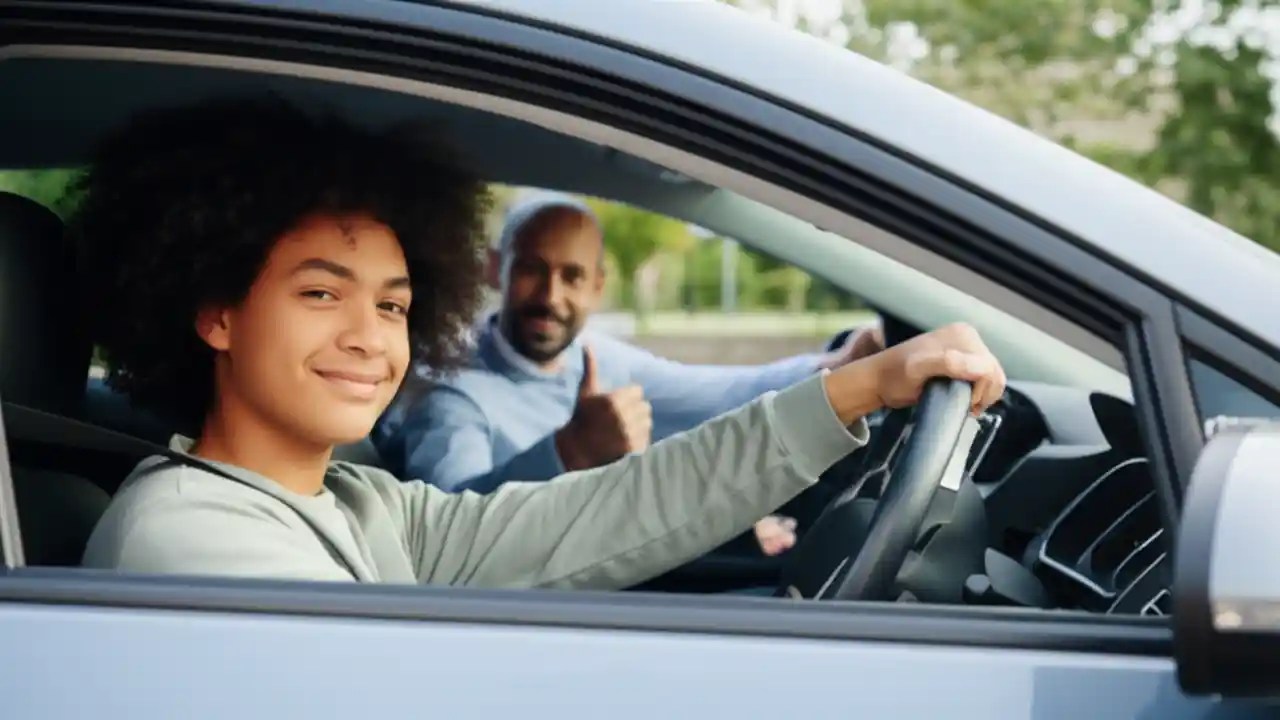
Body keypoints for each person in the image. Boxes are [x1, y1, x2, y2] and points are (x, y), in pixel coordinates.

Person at [77, 96, 1005, 588]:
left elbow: (609, 511)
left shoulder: (363, 507)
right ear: (215, 313)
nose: (369, 337)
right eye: (322, 293)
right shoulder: (190, 539)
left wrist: (854, 389)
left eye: (396, 307)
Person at [374, 194, 884, 553]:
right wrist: (568, 452)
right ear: (494, 268)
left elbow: (715, 392)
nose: (551, 296)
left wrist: (834, 368)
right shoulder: (449, 393)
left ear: (596, 287)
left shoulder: (595, 359)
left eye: (572, 276)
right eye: (532, 269)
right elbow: (442, 534)